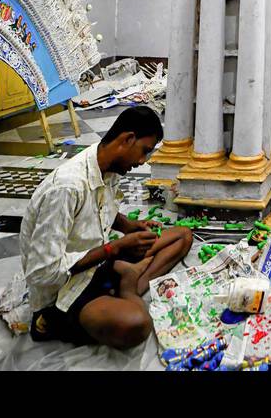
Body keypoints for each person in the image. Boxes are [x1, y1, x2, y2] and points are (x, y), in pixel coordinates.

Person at [20, 106, 194, 349]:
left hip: (98, 262)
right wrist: (115, 249)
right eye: (144, 151)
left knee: (182, 236)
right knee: (136, 323)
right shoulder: (66, 188)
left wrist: (129, 226)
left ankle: (124, 283)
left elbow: (99, 208)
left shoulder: (107, 167)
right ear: (127, 139)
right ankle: (127, 284)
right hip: (64, 291)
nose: (142, 161)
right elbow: (43, 273)